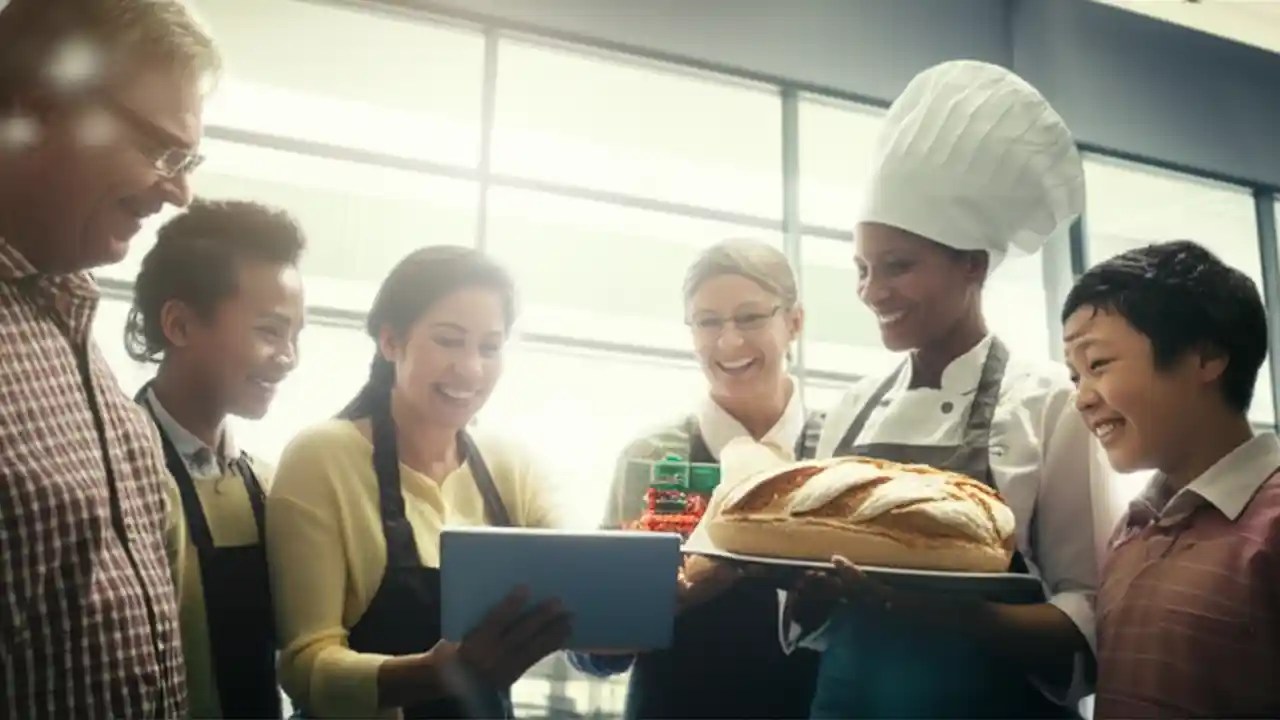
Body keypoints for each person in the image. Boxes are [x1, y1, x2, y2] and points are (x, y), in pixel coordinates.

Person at [783, 60, 1103, 718]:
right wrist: (806, 589)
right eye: (863, 269)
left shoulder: (1048, 404)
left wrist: (950, 614)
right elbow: (809, 622)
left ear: (973, 266)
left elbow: (1087, 611)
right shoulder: (850, 409)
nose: (873, 292)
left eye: (898, 267)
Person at [0, 1, 218, 717]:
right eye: (162, 151)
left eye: (186, 161)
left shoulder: (64, 323)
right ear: (39, 107)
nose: (180, 191)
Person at [267, 246, 573, 719]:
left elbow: (579, 586)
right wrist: (432, 673)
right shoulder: (322, 457)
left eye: (489, 347)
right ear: (391, 341)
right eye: (449, 341)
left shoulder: (510, 466)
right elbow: (305, 670)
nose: (471, 368)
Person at [574, 238, 824, 719]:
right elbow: (590, 649)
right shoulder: (648, 458)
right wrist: (660, 602)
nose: (729, 341)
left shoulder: (841, 449)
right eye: (708, 321)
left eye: (750, 317)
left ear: (794, 322)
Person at [1062, 240, 1280, 719]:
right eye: (1074, 376)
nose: (1081, 398)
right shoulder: (1133, 529)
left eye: (1097, 364)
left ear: (1205, 357)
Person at [125, 199, 306, 719]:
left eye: (296, 336)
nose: (289, 357)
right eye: (269, 331)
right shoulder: (113, 474)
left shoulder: (268, 485)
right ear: (179, 325)